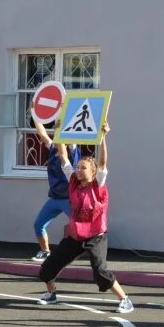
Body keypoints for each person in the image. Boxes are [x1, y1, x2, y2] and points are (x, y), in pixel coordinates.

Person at [38, 123, 133, 313]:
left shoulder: (98, 185)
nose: (79, 170)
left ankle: (125, 300)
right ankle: (51, 293)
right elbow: (63, 156)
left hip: (96, 235)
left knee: (100, 271)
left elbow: (103, 163)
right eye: (78, 167)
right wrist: (60, 132)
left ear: (92, 171)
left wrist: (103, 136)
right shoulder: (73, 182)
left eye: (83, 168)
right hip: (75, 235)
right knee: (48, 266)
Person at [31, 117, 81, 262]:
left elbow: (68, 142)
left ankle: (89, 252)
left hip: (69, 199)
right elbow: (42, 134)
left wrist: (61, 127)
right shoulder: (53, 149)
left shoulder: (72, 150)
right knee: (38, 224)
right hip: (54, 198)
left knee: (80, 227)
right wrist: (36, 114)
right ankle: (45, 251)